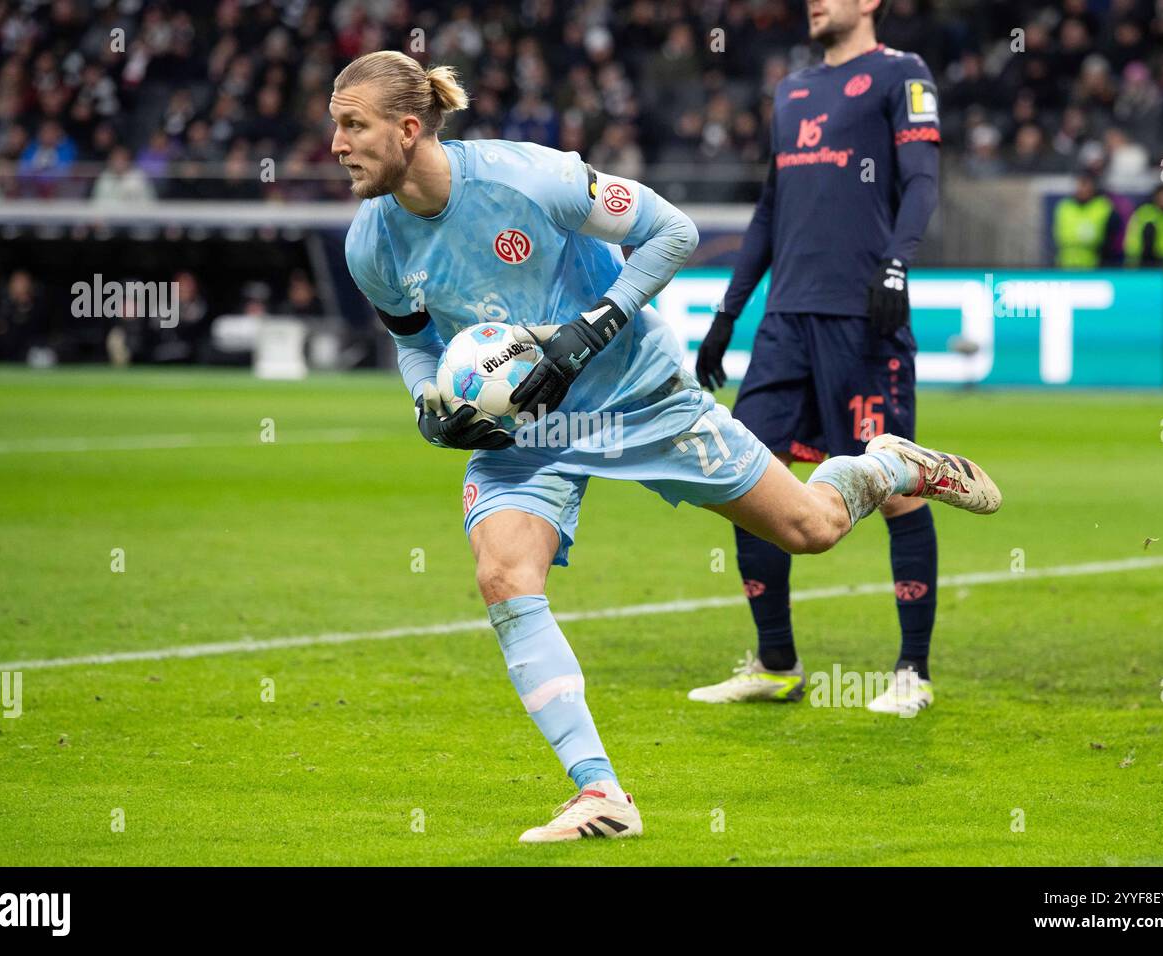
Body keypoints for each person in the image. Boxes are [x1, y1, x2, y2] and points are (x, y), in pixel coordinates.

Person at [336, 50, 1000, 844]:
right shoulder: (370, 244)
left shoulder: (529, 178)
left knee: (812, 531)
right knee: (503, 575)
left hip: (638, 397)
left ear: (410, 129)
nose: (337, 144)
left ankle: (892, 463)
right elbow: (412, 341)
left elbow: (672, 231)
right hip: (528, 432)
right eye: (335, 126)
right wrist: (427, 403)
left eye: (353, 125)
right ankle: (601, 793)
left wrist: (592, 329)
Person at [691, 0, 944, 715]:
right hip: (784, 321)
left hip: (860, 316)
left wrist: (896, 267)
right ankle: (777, 665)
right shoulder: (791, 89)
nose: (815, 2)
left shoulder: (903, 75)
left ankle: (912, 674)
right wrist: (727, 314)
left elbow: (923, 180)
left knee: (894, 488)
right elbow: (771, 209)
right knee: (746, 487)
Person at [1053, 169, 1120, 269]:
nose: (1082, 188)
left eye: (1085, 184)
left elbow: (1112, 240)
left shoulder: (1103, 207)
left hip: (1095, 266)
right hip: (1065, 265)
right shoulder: (1065, 207)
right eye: (1079, 184)